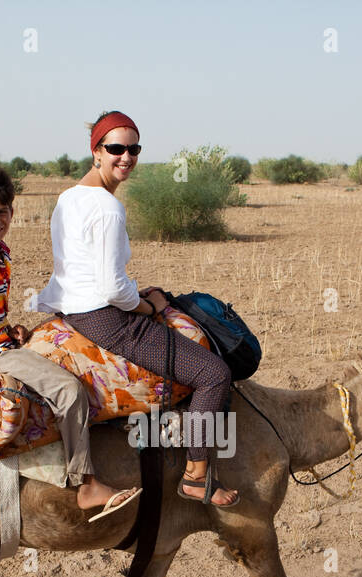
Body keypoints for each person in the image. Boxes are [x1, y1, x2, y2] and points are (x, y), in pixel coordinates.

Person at [0, 162, 140, 522]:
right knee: (70, 391)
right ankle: (86, 485)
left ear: (12, 212)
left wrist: (9, 327)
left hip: (0, 340)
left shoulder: (1, 254)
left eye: (2, 212)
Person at [35, 111, 239, 507]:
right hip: (108, 319)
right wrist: (146, 306)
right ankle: (197, 476)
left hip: (73, 311)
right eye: (115, 148)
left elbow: (78, 268)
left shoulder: (68, 197)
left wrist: (136, 293)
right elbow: (112, 287)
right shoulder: (108, 208)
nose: (125, 157)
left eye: (134, 149)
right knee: (214, 373)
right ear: (96, 151)